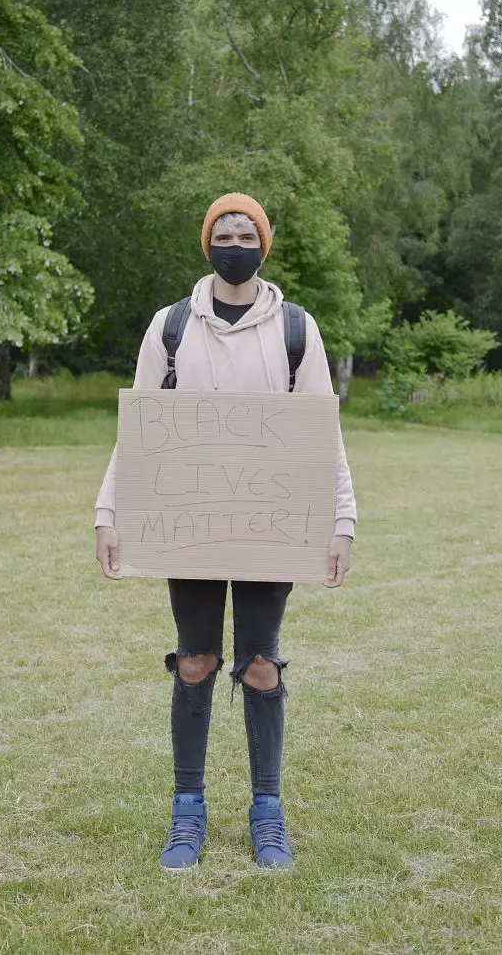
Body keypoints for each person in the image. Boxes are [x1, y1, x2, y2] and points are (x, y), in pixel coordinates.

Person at [94, 192, 357, 870]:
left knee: (262, 664)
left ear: (263, 244)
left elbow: (321, 436)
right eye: (224, 230)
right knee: (196, 660)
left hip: (271, 525)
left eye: (247, 231)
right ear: (207, 241)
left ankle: (267, 810)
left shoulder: (297, 327)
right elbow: (140, 433)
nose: (235, 240)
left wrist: (342, 519)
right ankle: (188, 812)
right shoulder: (172, 326)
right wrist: (109, 511)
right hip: (193, 524)